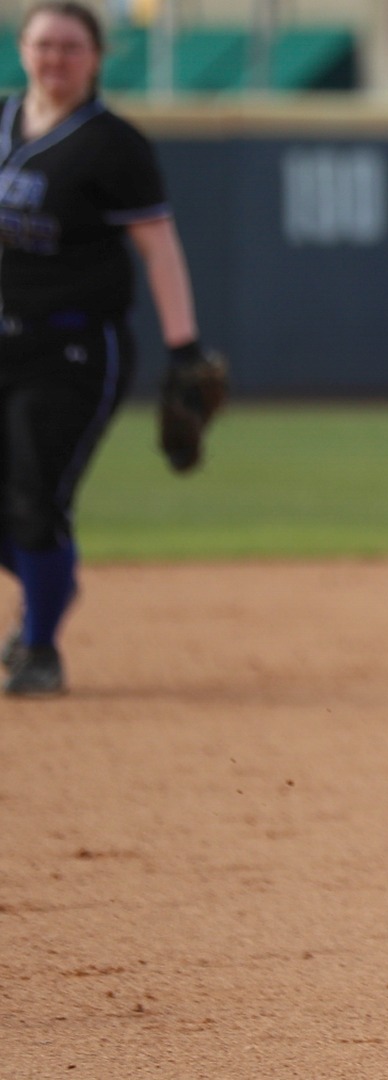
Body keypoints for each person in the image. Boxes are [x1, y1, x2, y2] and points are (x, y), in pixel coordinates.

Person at [0, 1, 223, 696]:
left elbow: (159, 249)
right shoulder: (1, 120)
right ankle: (50, 585)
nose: (55, 59)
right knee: (16, 511)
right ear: (22, 48)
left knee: (37, 494)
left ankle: (39, 646)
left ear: (96, 57)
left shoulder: (113, 144)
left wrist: (183, 348)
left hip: (72, 347)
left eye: (71, 47)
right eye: (44, 45)